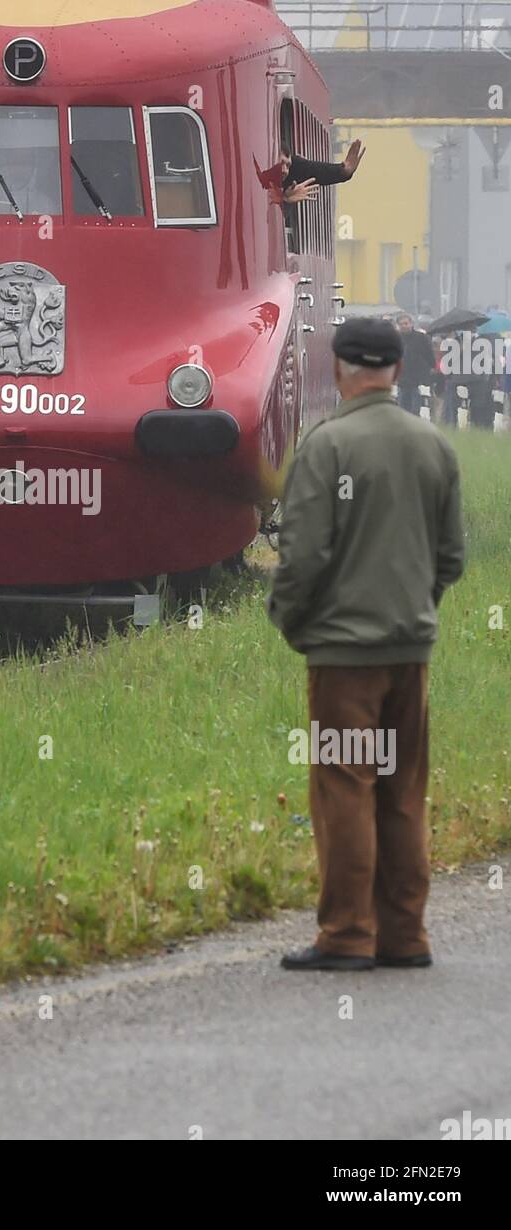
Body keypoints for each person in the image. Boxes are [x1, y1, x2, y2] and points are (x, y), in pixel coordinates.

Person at [267, 318, 465, 972]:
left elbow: (302, 557)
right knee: (402, 788)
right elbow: (450, 558)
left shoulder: (328, 447)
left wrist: (294, 622)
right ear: (398, 371)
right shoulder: (433, 444)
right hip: (411, 653)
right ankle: (406, 936)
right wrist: (413, 610)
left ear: (338, 369)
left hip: (343, 658)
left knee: (345, 785)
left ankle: (348, 935)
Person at [395, 312, 435, 416]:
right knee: (402, 408)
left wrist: (432, 367)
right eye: (401, 324)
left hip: (418, 379)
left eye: (406, 323)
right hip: (402, 379)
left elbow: (429, 354)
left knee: (416, 408)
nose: (404, 326)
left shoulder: (421, 337)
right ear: (398, 325)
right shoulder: (395, 339)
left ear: (411, 324)